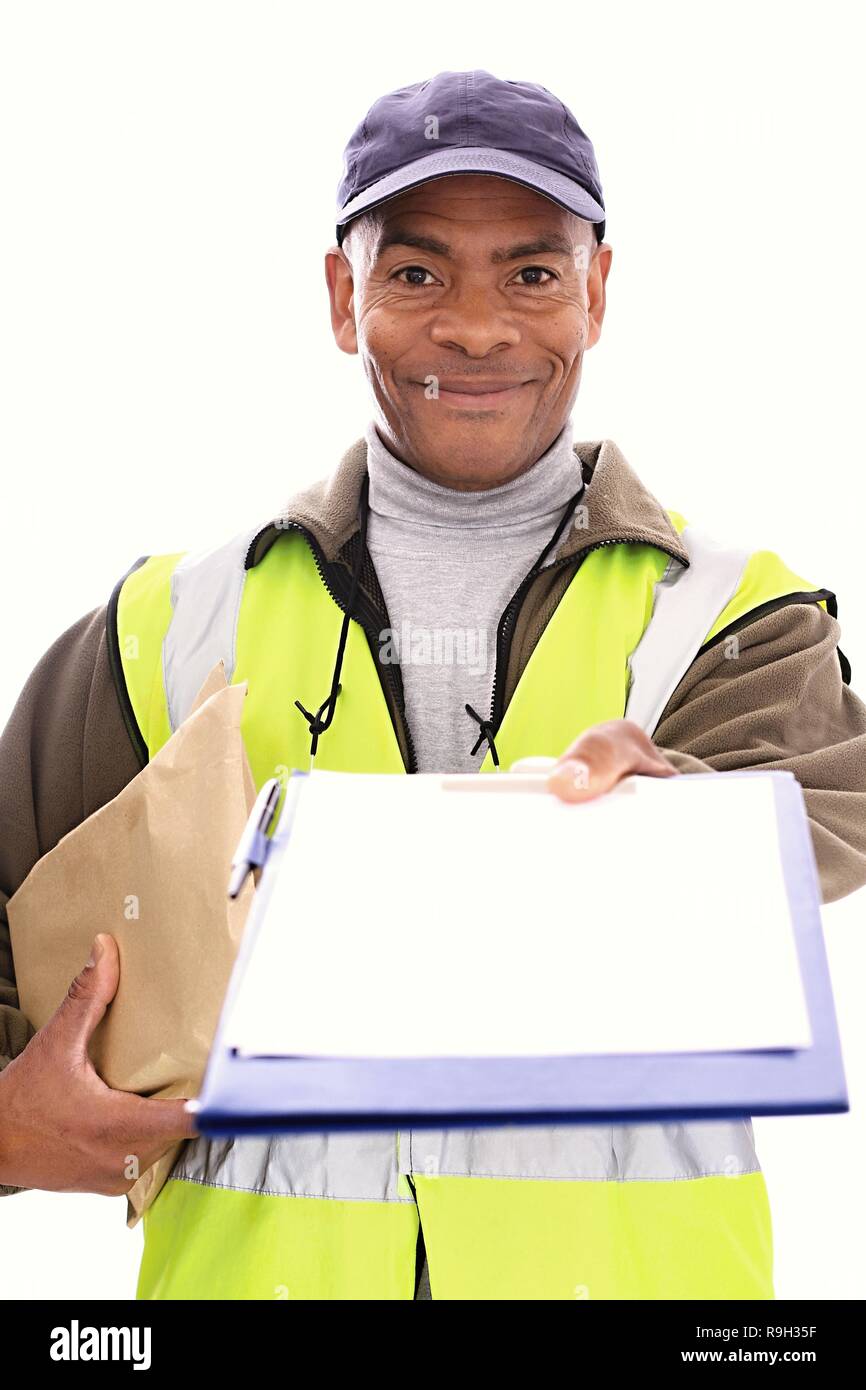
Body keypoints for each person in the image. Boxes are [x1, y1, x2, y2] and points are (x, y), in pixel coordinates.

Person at [2, 70, 865, 1301]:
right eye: (416, 274)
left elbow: (808, 823)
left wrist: (669, 817)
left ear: (597, 291)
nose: (476, 327)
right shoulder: (168, 624)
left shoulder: (729, 616)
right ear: (342, 297)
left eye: (530, 272)